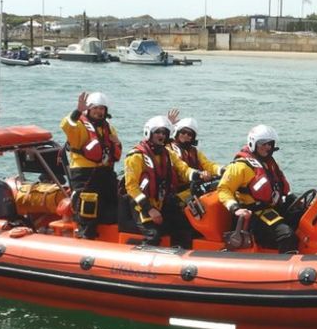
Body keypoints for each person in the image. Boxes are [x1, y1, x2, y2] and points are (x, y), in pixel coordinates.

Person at [123, 116, 207, 248]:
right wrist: (149, 209)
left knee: (183, 226)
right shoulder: (135, 156)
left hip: (161, 202)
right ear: (149, 133)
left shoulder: (167, 153)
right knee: (153, 235)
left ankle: (181, 258)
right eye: (158, 132)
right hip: (141, 205)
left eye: (164, 133)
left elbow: (182, 168)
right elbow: (131, 187)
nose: (161, 135)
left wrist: (198, 174)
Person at [217, 124, 298, 253]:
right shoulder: (240, 166)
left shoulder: (269, 163)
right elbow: (223, 189)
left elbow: (281, 188)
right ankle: (285, 266)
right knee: (287, 235)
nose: (267, 147)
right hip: (252, 215)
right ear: (253, 143)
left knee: (300, 214)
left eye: (270, 144)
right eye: (263, 144)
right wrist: (235, 208)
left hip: (271, 207)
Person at [60, 91, 122, 239]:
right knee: (87, 203)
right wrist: (78, 111)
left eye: (102, 109)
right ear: (88, 109)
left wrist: (116, 143)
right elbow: (66, 125)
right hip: (84, 173)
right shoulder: (79, 125)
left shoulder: (109, 128)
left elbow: (115, 151)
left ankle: (109, 232)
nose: (99, 112)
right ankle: (85, 234)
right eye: (95, 108)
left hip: (105, 171)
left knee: (116, 199)